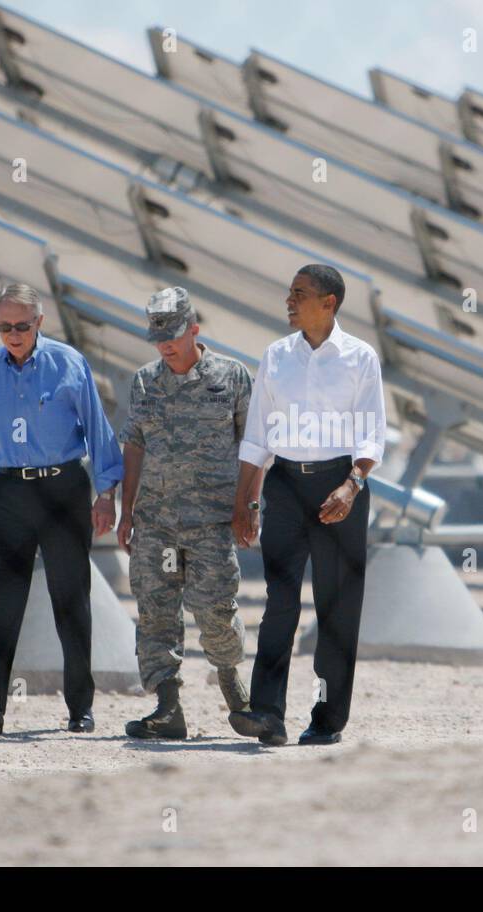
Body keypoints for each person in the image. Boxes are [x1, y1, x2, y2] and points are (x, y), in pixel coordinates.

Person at [228, 265, 386, 746]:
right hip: (285, 487)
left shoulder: (360, 358)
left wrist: (352, 484)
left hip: (342, 486)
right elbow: (257, 437)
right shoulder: (275, 357)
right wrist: (244, 503)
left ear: (329, 303)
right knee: (280, 602)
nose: (289, 301)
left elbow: (371, 433)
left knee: (337, 606)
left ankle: (326, 717)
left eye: (300, 294)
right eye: (289, 292)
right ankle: (267, 713)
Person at [0, 283, 123, 735]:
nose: (13, 334)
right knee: (4, 601)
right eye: (4, 326)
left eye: (22, 326)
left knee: (70, 599)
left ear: (40, 323)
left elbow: (96, 427)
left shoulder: (69, 363)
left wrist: (106, 493)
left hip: (63, 490)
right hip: (9, 493)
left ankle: (79, 708)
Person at [117, 288, 257, 739]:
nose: (165, 345)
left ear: (194, 328)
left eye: (173, 335)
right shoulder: (144, 381)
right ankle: (166, 706)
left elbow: (254, 449)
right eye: (157, 336)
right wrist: (127, 513)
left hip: (211, 522)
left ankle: (235, 692)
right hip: (156, 523)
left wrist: (248, 507)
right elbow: (134, 444)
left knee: (215, 608)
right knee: (156, 612)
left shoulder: (232, 377)